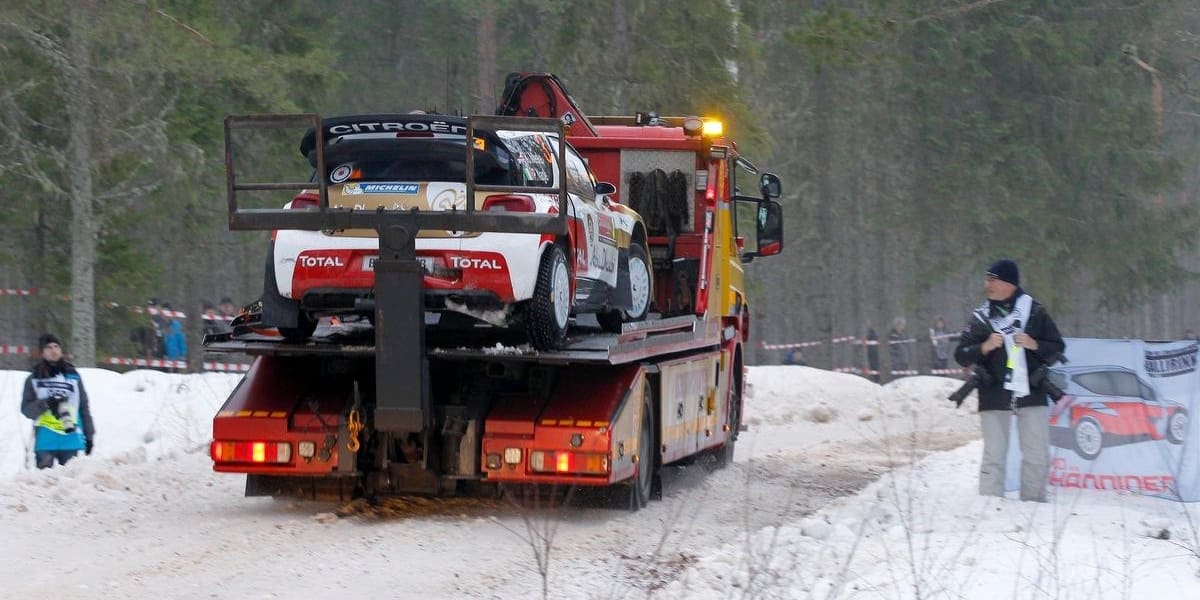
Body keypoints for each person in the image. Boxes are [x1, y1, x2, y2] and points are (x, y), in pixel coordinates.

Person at [954, 259, 1064, 502]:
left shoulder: (1034, 311)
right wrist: (984, 347)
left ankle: (1034, 504)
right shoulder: (981, 317)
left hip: (1031, 390)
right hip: (993, 390)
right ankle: (990, 505)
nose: (988, 285)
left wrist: (1035, 345)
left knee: (1036, 453)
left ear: (1009, 283)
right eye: (987, 279)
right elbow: (960, 355)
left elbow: (1057, 348)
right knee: (994, 455)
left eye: (993, 279)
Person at [20, 334, 95, 468]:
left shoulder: (73, 376)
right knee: (45, 483)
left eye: (56, 347)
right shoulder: (34, 378)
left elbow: (83, 406)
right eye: (48, 347)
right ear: (42, 352)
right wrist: (46, 403)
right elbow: (26, 410)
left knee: (69, 483)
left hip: (70, 437)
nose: (53, 350)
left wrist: (89, 435)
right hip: (45, 439)